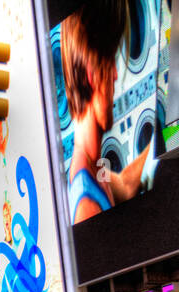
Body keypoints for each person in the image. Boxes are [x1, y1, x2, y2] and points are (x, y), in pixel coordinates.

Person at [60, 0, 151, 223]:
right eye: (110, 61)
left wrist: (166, 136)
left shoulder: (94, 169)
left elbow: (126, 184)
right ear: (92, 71)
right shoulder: (88, 207)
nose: (116, 76)